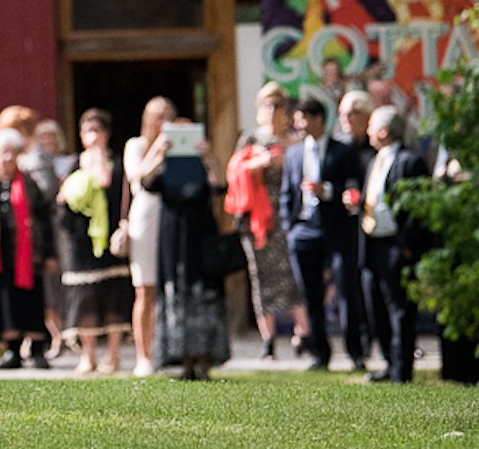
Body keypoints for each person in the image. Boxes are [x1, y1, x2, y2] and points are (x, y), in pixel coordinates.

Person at [279, 98, 369, 372]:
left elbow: (354, 185)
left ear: (318, 119)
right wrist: (290, 228)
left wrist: (327, 190)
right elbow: (287, 193)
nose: (299, 125)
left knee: (346, 291)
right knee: (311, 295)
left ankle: (356, 353)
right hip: (304, 230)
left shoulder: (343, 151)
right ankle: (320, 354)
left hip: (337, 230)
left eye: (303, 119)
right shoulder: (293, 154)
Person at [225, 83, 308, 360]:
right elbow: (234, 174)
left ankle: (303, 334)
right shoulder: (250, 139)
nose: (271, 112)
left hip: (288, 217)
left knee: (294, 275)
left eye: (277, 106)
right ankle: (268, 341)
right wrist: (255, 165)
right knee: (261, 278)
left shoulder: (296, 141)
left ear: (286, 110)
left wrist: (286, 161)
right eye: (266, 105)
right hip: (257, 222)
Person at [146, 116, 231, 380]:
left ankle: (205, 361)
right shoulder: (165, 167)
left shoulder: (202, 165)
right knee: (177, 291)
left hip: (201, 235)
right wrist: (159, 151)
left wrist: (209, 155)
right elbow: (145, 181)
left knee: (205, 291)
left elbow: (221, 185)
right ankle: (183, 361)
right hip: (173, 237)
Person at [56, 109, 132, 375]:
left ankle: (113, 355)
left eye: (96, 130)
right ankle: (88, 355)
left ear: (106, 133)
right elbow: (62, 198)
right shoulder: (74, 164)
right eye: (86, 130)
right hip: (80, 237)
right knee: (84, 296)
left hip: (108, 235)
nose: (91, 136)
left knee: (113, 293)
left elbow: (109, 184)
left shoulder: (118, 163)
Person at [360, 106, 432, 383]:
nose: (367, 132)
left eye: (371, 126)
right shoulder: (374, 160)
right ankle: (389, 363)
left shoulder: (410, 162)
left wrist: (408, 247)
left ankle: (403, 372)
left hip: (396, 246)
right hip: (372, 244)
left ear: (384, 131)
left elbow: (418, 209)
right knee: (375, 306)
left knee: (400, 309)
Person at [0, 127, 55, 370]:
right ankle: (12, 352)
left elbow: (44, 217)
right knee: (4, 302)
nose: (8, 158)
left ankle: (38, 350)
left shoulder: (28, 182)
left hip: (28, 254)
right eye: (3, 153)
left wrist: (50, 253)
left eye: (11, 153)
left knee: (31, 301)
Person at [121, 97, 176, 377]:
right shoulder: (136, 145)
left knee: (169, 287)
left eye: (168, 115)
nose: (163, 120)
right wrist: (158, 149)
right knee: (145, 288)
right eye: (158, 115)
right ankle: (143, 356)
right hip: (144, 216)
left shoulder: (177, 147)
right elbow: (137, 177)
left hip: (171, 215)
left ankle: (167, 350)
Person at [18, 116, 74, 356]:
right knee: (48, 285)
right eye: (43, 137)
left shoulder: (63, 162)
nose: (48, 141)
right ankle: (52, 335)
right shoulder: (29, 160)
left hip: (56, 228)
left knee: (57, 283)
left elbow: (48, 194)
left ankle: (63, 335)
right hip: (40, 229)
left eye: (52, 136)